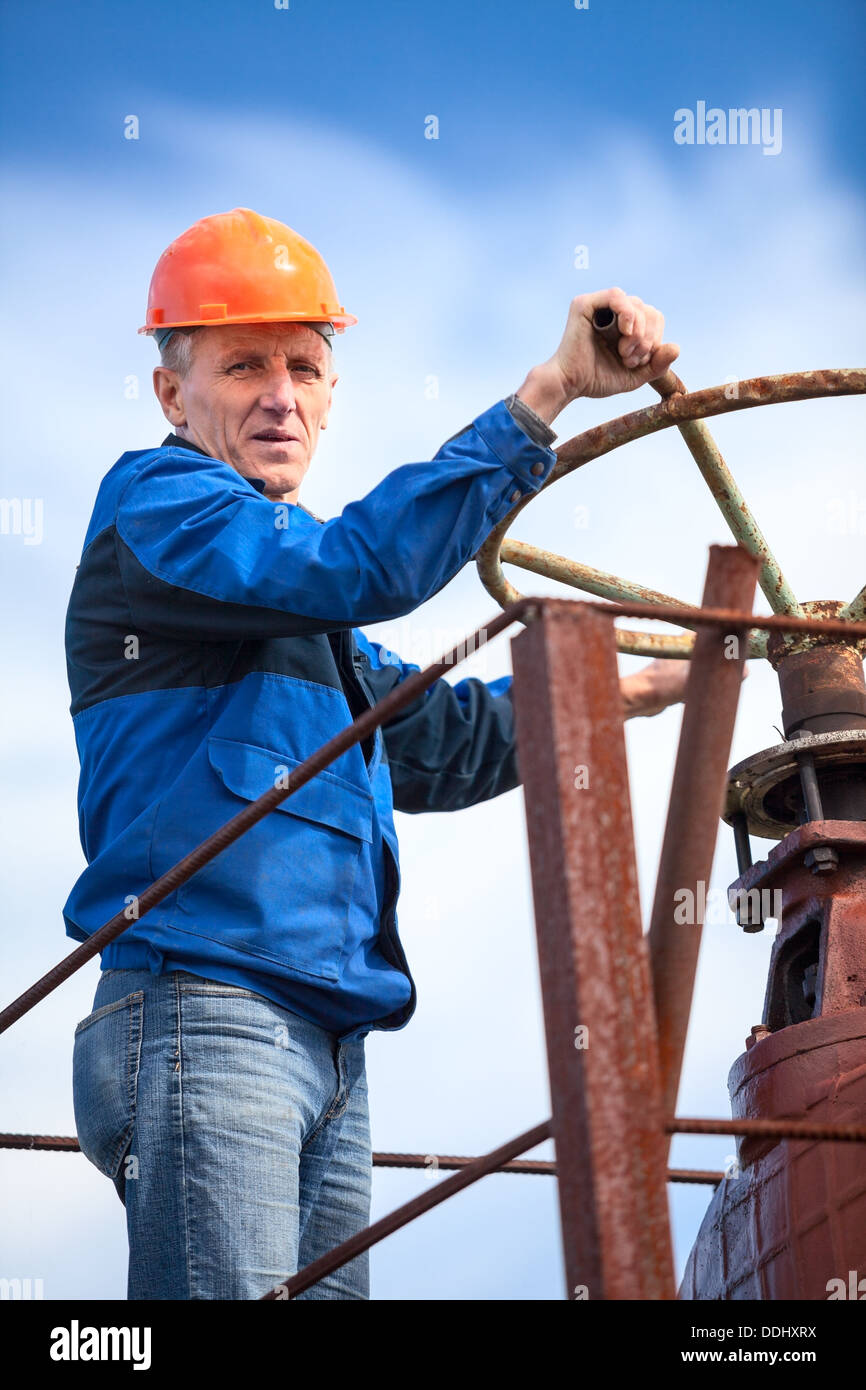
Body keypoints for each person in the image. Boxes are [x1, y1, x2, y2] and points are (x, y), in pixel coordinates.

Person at [66, 207, 687, 1300]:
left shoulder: (307, 616)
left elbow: (434, 735)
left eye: (305, 367)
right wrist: (542, 397)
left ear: (331, 392)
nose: (280, 395)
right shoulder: (160, 509)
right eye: (244, 363)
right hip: (202, 1005)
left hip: (328, 1039)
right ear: (171, 394)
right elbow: (357, 562)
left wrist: (646, 683)